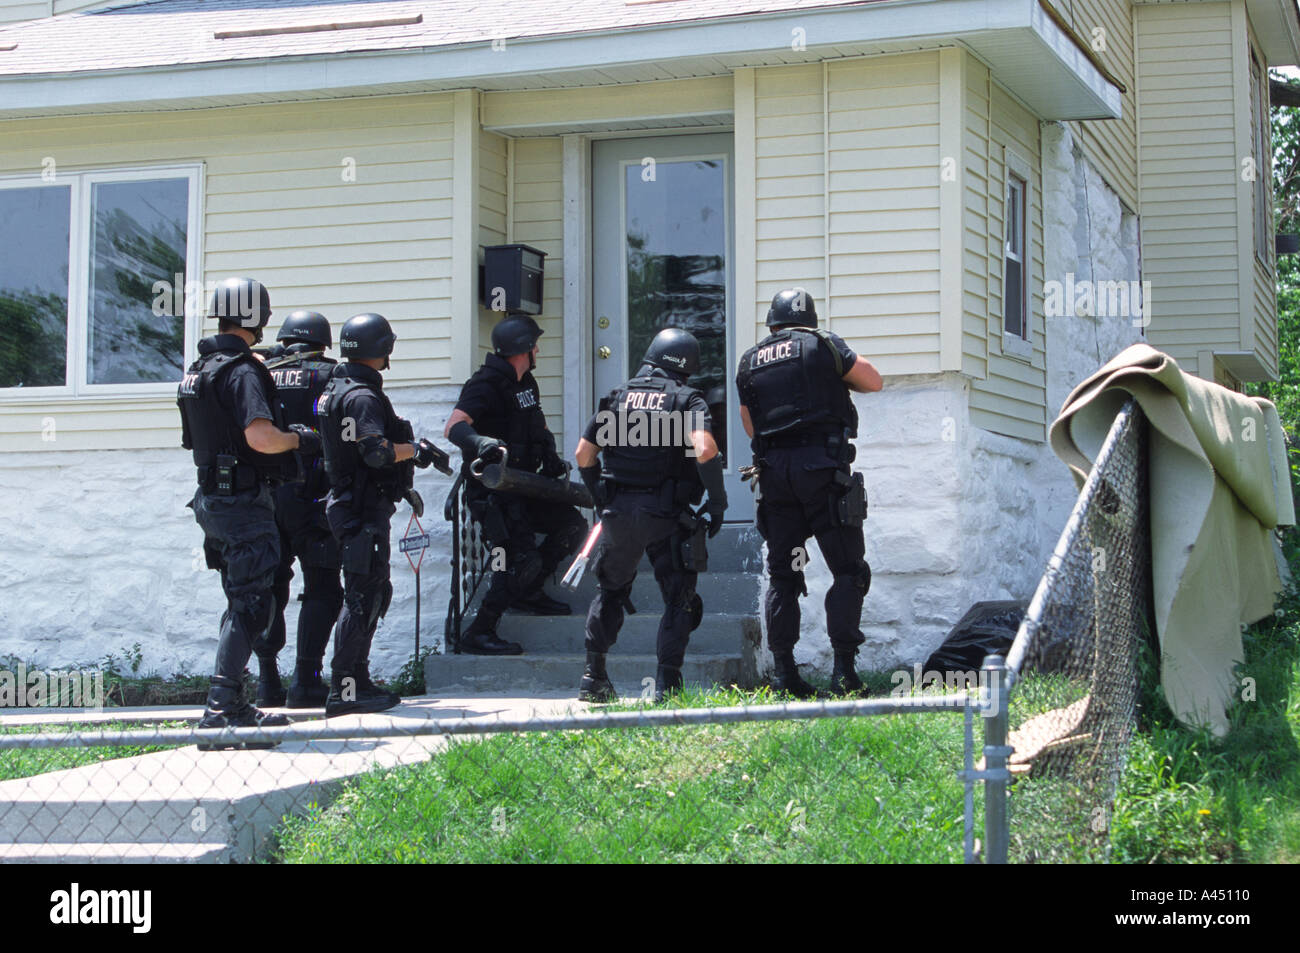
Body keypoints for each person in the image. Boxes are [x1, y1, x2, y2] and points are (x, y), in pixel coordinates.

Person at [179, 277, 322, 749]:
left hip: (212, 499)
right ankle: (221, 710)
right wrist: (300, 438)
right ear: (257, 318)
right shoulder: (242, 371)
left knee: (241, 599)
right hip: (242, 500)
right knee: (254, 602)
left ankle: (232, 701)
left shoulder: (200, 368)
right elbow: (260, 438)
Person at [736, 288, 882, 698]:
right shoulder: (824, 345)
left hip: (775, 478)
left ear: (772, 323)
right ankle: (843, 674)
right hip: (823, 473)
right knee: (848, 571)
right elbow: (874, 380)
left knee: (783, 576)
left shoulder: (749, 360)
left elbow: (751, 427)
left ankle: (785, 676)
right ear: (810, 320)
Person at [573, 328, 727, 703]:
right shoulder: (686, 399)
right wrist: (718, 501)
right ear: (685, 366)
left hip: (619, 513)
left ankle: (594, 679)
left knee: (610, 591)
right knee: (678, 598)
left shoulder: (616, 397)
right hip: (665, 513)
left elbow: (583, 455)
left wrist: (600, 498)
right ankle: (667, 686)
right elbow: (704, 450)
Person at [318, 312, 450, 716]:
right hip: (360, 509)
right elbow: (375, 452)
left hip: (351, 504)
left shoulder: (336, 388)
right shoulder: (361, 395)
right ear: (382, 349)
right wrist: (415, 449)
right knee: (363, 597)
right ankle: (345, 689)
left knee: (372, 592)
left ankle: (357, 680)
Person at [444, 315, 586, 655]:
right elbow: (454, 427)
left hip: (525, 484)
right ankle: (479, 631)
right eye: (534, 344)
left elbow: (536, 424)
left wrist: (548, 453)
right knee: (514, 559)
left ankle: (528, 592)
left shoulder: (526, 383)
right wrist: (481, 444)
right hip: (494, 491)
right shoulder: (485, 384)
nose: (538, 349)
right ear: (523, 349)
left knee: (572, 527)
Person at [260, 310, 342, 709]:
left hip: (265, 498)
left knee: (266, 585)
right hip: (314, 498)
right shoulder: (331, 374)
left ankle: (267, 681)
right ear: (322, 343)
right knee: (323, 586)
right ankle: (306, 680)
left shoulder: (259, 372)